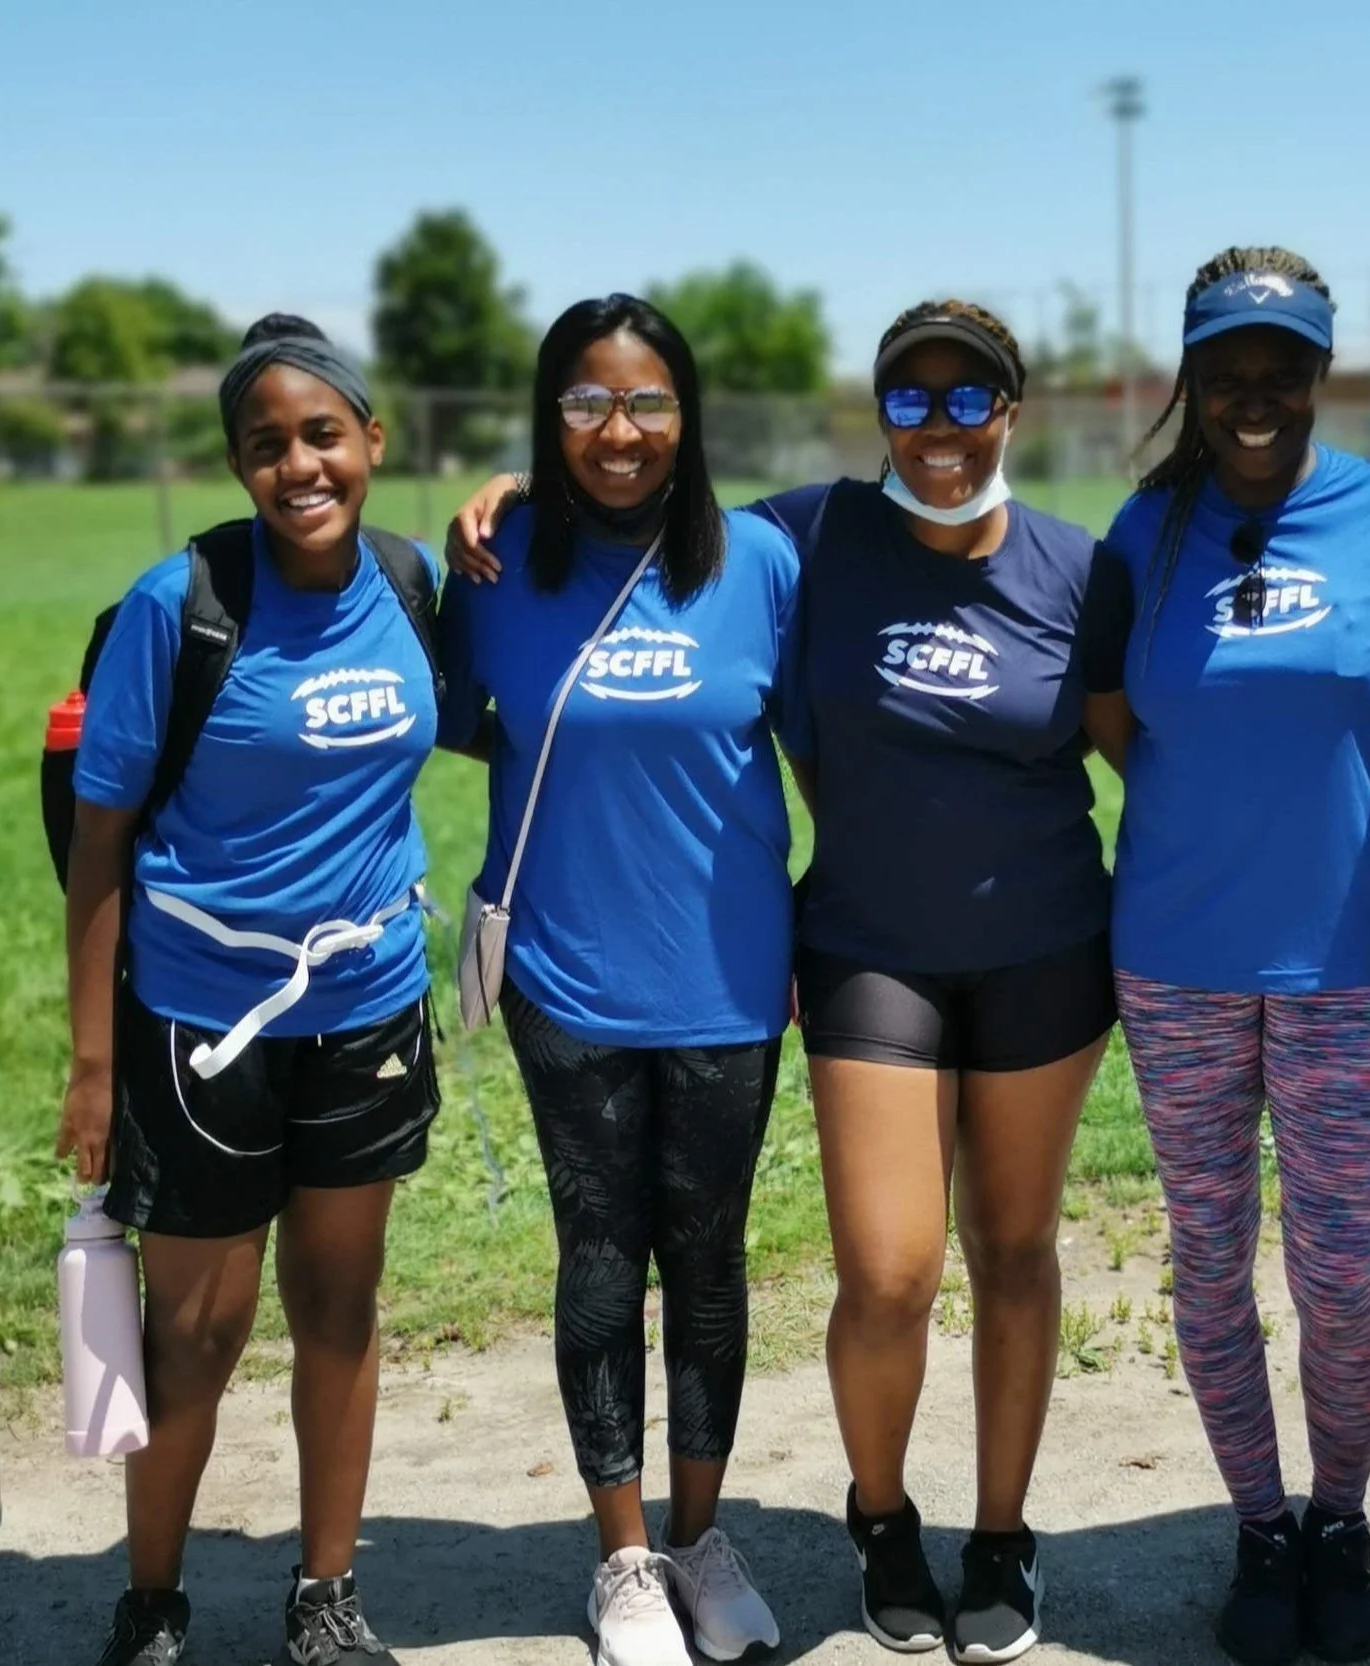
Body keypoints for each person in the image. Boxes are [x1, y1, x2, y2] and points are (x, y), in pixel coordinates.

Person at [447, 298, 1130, 1664]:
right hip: (833, 951)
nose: (939, 426)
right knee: (880, 1269)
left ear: (1011, 409)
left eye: (968, 397)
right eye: (910, 399)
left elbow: (1139, 755)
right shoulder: (803, 534)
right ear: (879, 414)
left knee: (999, 1252)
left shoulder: (1062, 566)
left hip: (1006, 950)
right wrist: (524, 481)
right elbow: (627, 501)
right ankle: (852, 1522)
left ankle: (988, 1536)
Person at [1096, 247, 1370, 1666]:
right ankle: (1260, 1523)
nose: (1254, 394)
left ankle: (1341, 1519)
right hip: (1178, 956)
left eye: (1282, 366)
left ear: (1321, 371)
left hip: (1346, 959)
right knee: (1208, 1259)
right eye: (1228, 369)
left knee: (1337, 1273)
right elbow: (1114, 716)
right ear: (1193, 379)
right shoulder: (1147, 529)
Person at [58, 315, 440, 1666]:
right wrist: (93, 1064)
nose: (299, 465)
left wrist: (512, 493)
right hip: (201, 1023)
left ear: (371, 438)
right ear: (238, 463)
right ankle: (152, 1600)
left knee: (339, 1310)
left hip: (369, 1007)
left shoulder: (413, 584)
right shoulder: (180, 607)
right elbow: (100, 840)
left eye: (323, 433)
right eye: (267, 444)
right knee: (199, 1332)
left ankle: (325, 1595)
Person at [433, 293, 799, 1666]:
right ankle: (625, 1559)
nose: (620, 430)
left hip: (728, 977)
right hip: (566, 974)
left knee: (708, 1256)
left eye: (647, 401)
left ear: (688, 416)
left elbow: (813, 734)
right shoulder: (496, 569)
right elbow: (449, 714)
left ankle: (700, 1539)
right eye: (586, 402)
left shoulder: (761, 563)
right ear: (550, 418)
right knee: (598, 1256)